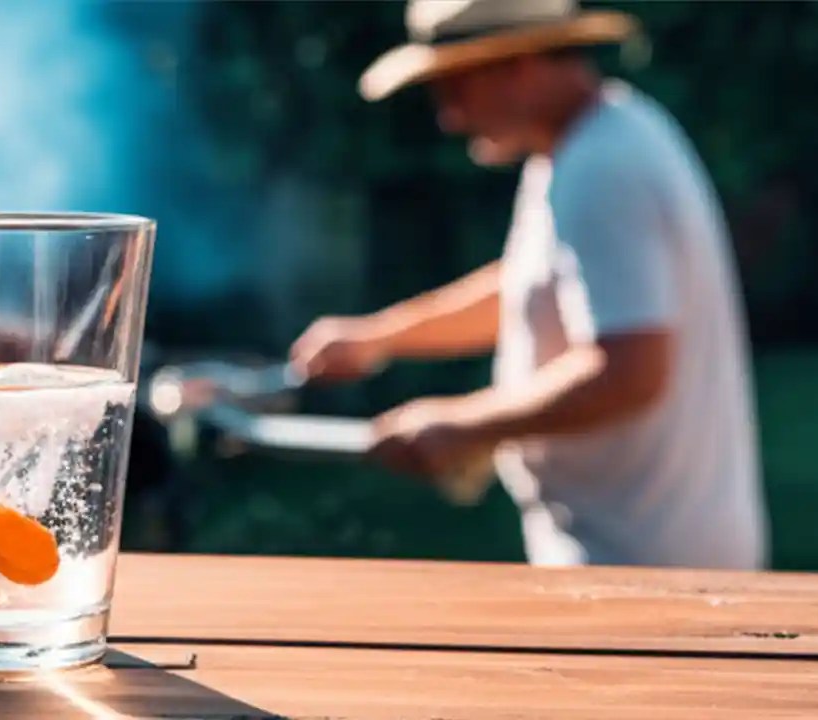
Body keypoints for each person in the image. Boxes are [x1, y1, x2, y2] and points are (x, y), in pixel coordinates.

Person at [291, 0, 767, 569]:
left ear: (517, 67)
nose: (450, 116)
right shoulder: (594, 141)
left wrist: (461, 424)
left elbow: (631, 370)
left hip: (643, 571)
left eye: (455, 87)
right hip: (639, 553)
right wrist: (382, 337)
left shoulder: (602, 170)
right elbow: (537, 284)